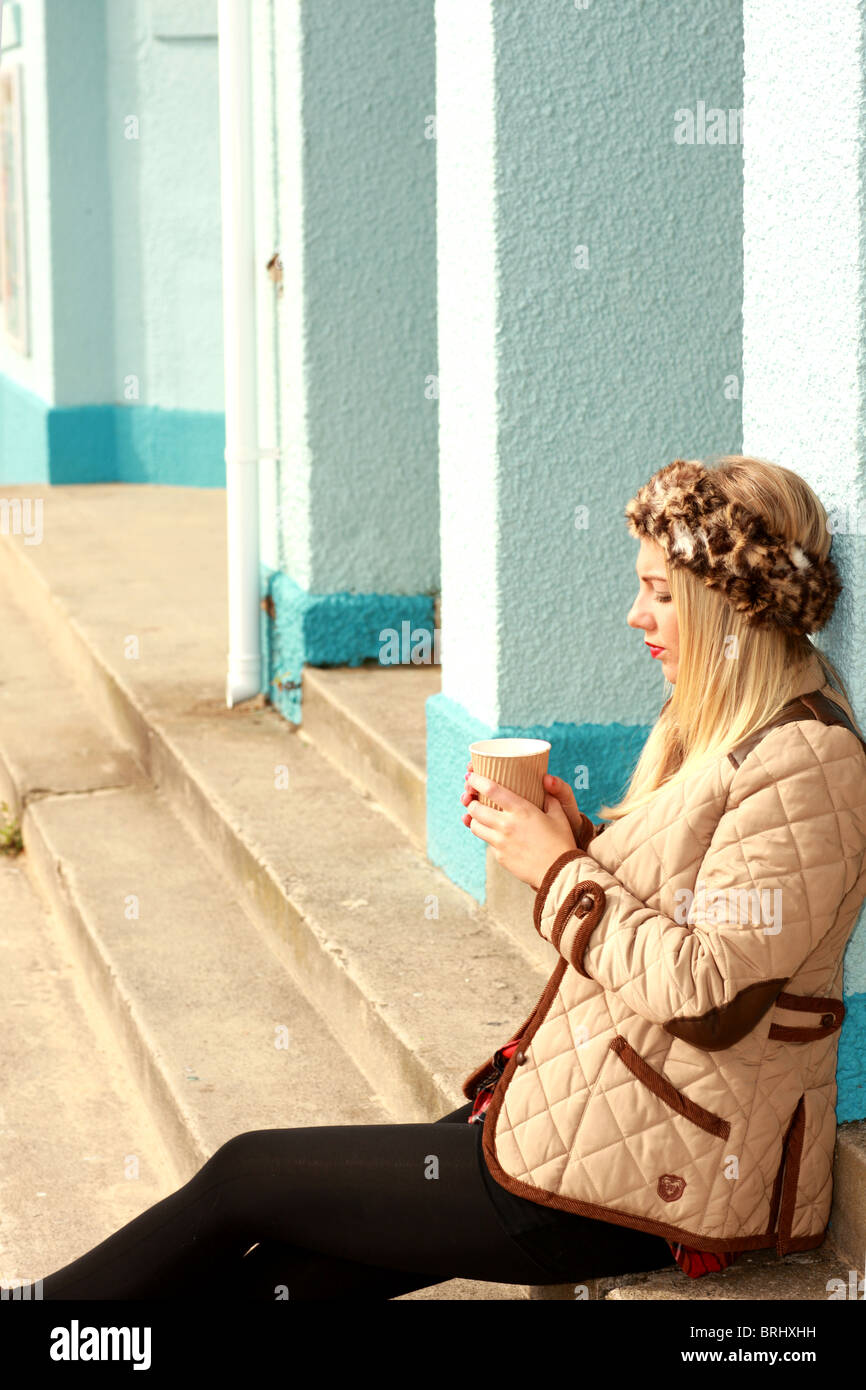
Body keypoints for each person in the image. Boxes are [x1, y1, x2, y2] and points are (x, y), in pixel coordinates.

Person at [27, 453, 866, 1300]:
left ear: (726, 601)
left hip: (667, 1173)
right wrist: (575, 842)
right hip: (614, 1115)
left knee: (247, 1179)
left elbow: (714, 995)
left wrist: (561, 869)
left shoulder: (807, 763)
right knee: (299, 1276)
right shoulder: (729, 728)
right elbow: (687, 915)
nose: (634, 614)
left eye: (659, 591)